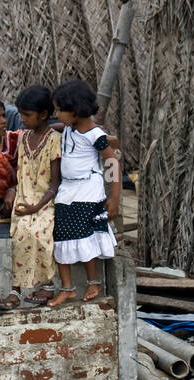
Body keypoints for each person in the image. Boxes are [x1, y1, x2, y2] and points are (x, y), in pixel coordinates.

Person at [48, 79, 119, 307]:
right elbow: (57, 127)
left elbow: (112, 162)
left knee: (85, 234)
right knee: (60, 233)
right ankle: (67, 288)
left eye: (60, 110)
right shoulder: (69, 128)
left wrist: (114, 198)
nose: (56, 114)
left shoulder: (94, 135)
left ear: (76, 110)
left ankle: (93, 281)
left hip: (87, 189)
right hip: (68, 189)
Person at [0, 86, 61, 311]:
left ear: (43, 115)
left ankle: (48, 285)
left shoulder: (54, 140)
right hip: (24, 199)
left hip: (45, 201)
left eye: (27, 115)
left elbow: (54, 184)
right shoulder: (22, 139)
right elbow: (18, 174)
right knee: (21, 233)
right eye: (21, 114)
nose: (21, 119)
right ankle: (16, 290)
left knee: (41, 232)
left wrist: (37, 206)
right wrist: (14, 192)